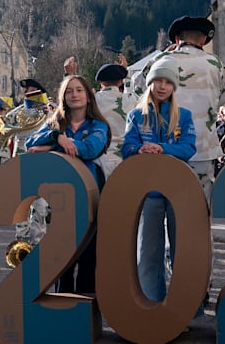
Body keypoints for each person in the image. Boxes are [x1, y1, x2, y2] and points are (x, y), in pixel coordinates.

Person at [25, 75, 109, 293]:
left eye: (79, 90)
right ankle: (62, 309)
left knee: (87, 255)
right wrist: (56, 136)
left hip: (89, 194)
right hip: (60, 197)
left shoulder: (98, 125)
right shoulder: (54, 124)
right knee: (62, 256)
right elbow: (29, 142)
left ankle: (85, 313)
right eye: (69, 91)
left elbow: (90, 149)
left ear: (89, 96)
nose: (74, 95)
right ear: (63, 97)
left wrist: (50, 148)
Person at [122, 58, 196, 302]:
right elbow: (127, 147)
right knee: (147, 252)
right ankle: (150, 305)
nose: (162, 87)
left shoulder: (183, 116)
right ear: (150, 84)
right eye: (157, 81)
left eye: (167, 82)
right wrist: (139, 150)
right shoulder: (136, 115)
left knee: (182, 253)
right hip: (148, 192)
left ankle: (185, 309)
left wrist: (162, 148)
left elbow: (188, 148)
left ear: (174, 87)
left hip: (177, 191)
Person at [132, 16, 225, 197]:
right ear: (202, 40)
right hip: (202, 147)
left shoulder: (161, 59)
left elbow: (137, 90)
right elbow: (223, 99)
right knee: (198, 204)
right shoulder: (215, 64)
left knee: (162, 199)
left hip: (163, 145)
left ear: (177, 39)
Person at [94, 63, 131, 178]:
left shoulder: (93, 100)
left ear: (101, 82)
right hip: (126, 156)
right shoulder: (132, 99)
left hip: (99, 158)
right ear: (121, 82)